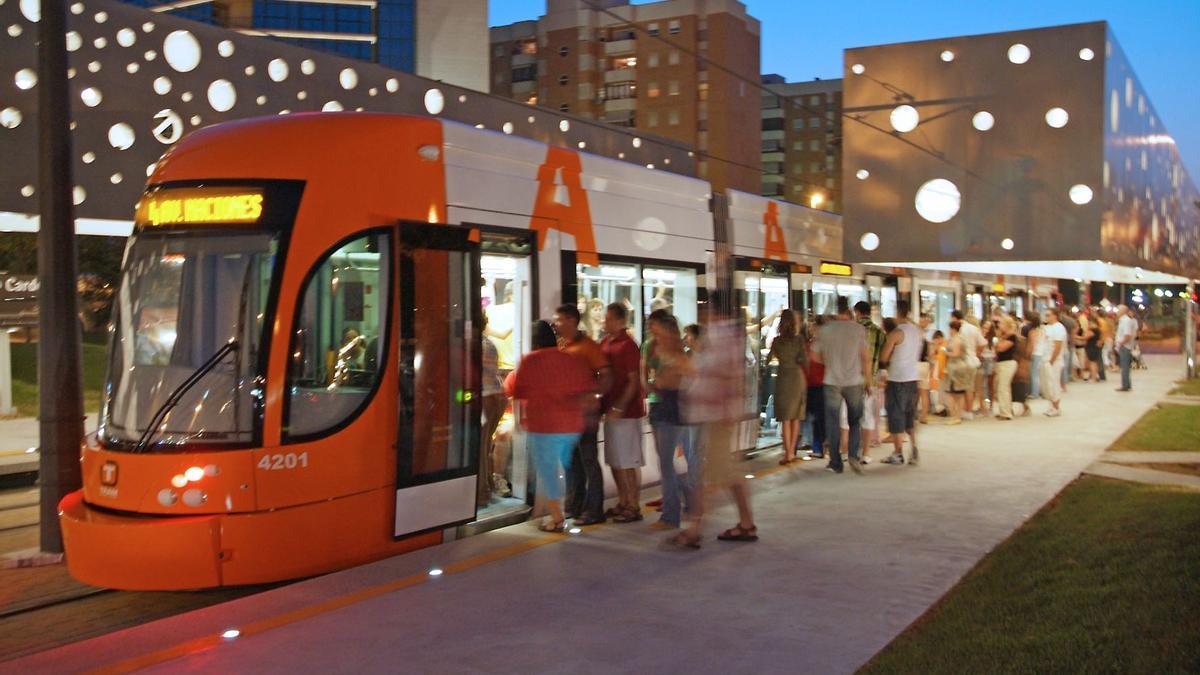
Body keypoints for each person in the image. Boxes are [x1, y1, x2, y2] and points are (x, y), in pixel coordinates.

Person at [673, 290, 757, 549]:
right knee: (720, 472)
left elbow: (724, 376)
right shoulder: (725, 335)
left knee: (710, 473)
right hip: (714, 415)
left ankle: (697, 528)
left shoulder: (722, 336)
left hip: (715, 416)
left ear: (712, 309)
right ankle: (743, 522)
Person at [505, 321, 596, 532]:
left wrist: (519, 422)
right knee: (564, 468)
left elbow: (519, 395)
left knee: (548, 472)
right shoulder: (570, 359)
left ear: (534, 341)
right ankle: (567, 509)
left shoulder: (529, 361)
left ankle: (557, 518)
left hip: (545, 426)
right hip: (571, 427)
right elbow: (586, 390)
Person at [553, 304, 612, 525]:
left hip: (585, 415)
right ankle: (573, 507)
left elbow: (606, 374)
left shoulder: (588, 346)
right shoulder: (561, 346)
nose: (555, 324)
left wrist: (594, 397)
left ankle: (594, 510)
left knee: (588, 461)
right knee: (570, 462)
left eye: (558, 320)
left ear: (571, 320)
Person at [645, 312, 697, 530]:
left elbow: (692, 376)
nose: (652, 330)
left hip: (671, 405)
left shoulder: (676, 353)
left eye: (655, 326)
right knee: (665, 461)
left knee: (666, 463)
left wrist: (670, 384)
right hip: (663, 404)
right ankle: (690, 500)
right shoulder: (657, 347)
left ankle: (671, 515)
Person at [599, 303, 647, 523]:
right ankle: (623, 501)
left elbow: (633, 381)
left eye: (608, 319)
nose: (604, 322)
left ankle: (633, 504)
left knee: (628, 461)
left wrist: (619, 406)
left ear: (619, 321)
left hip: (627, 413)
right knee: (615, 460)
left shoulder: (628, 346)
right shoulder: (605, 342)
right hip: (611, 411)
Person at [814, 297, 870, 474]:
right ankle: (853, 455)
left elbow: (815, 357)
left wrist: (830, 362)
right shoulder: (859, 329)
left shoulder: (825, 330)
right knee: (855, 420)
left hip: (832, 381)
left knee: (832, 421)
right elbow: (865, 357)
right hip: (854, 381)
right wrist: (868, 380)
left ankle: (835, 462)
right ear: (848, 311)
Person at [879, 300, 922, 465]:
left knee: (896, 415)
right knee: (910, 415)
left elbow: (884, 357)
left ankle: (897, 453)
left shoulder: (896, 333)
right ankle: (914, 447)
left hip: (897, 378)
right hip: (913, 377)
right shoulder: (916, 331)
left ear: (897, 312)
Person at [765, 309, 807, 464]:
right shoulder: (799, 340)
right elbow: (804, 360)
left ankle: (787, 452)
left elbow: (768, 359)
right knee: (796, 417)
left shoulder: (776, 341)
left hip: (783, 378)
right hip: (797, 378)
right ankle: (791, 453)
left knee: (785, 418)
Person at [479, 312, 509, 506]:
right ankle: (488, 483)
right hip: (497, 395)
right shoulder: (488, 343)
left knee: (480, 447)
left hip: (486, 397)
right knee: (486, 444)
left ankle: (482, 492)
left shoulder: (477, 344)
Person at [854, 301, 886, 448]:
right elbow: (884, 357)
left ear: (857, 312)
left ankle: (852, 443)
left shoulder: (852, 329)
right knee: (868, 414)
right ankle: (867, 445)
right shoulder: (879, 332)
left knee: (851, 413)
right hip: (871, 379)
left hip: (851, 378)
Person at [950, 310, 985, 419]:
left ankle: (960, 411)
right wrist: (977, 352)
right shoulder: (973, 328)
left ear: (955, 318)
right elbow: (983, 343)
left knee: (959, 389)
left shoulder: (958, 330)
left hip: (960, 362)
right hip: (973, 361)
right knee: (969, 387)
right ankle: (968, 411)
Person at [803, 318, 826, 460]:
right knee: (816, 417)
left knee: (817, 417)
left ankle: (819, 446)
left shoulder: (819, 343)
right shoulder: (813, 342)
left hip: (818, 383)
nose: (810, 329)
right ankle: (817, 446)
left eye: (813, 326)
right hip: (813, 383)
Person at [943, 320, 972, 425]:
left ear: (953, 329)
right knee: (959, 394)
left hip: (956, 369)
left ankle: (955, 415)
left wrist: (945, 352)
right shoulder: (958, 339)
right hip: (959, 367)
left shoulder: (956, 340)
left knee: (952, 393)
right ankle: (957, 416)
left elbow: (956, 354)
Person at [1040, 308, 1068, 416]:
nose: (1046, 317)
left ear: (1055, 316)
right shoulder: (1047, 327)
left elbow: (1058, 345)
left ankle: (1056, 407)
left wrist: (1052, 360)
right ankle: (1051, 405)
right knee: (1048, 384)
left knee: (1054, 384)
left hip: (1054, 361)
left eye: (1048, 315)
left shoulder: (1059, 328)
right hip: (1045, 359)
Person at [992, 316, 1018, 420]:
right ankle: (1005, 409)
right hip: (1001, 363)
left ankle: (1006, 413)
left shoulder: (1012, 336)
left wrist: (998, 342)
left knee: (1003, 388)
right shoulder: (1003, 336)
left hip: (1008, 363)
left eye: (1001, 324)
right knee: (1001, 387)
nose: (999, 326)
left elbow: (1001, 348)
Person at [1011, 319, 1034, 417]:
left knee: (1018, 389)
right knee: (1012, 389)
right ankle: (1010, 409)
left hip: (1019, 367)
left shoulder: (1021, 340)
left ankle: (1025, 407)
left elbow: (1026, 354)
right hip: (1016, 366)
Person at [1116, 303, 1138, 392]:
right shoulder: (1123, 320)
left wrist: (1121, 343)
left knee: (1124, 367)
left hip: (1125, 346)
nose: (1116, 312)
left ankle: (1125, 385)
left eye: (1118, 310)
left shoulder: (1126, 321)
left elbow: (1127, 335)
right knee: (1125, 366)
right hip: (1125, 346)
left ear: (1122, 311)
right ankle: (1126, 384)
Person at [1024, 312, 1044, 399]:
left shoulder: (1032, 332)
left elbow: (1031, 344)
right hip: (1041, 353)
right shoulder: (1042, 330)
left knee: (1033, 374)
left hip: (1034, 353)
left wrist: (1028, 354)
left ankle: (1034, 393)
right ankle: (1038, 391)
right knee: (1038, 373)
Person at [1059, 308, 1077, 390]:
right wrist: (1073, 343)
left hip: (1062, 342)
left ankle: (1063, 380)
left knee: (1063, 362)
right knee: (1068, 361)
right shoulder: (1072, 321)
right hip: (1069, 342)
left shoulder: (1060, 321)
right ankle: (1067, 377)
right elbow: (1073, 333)